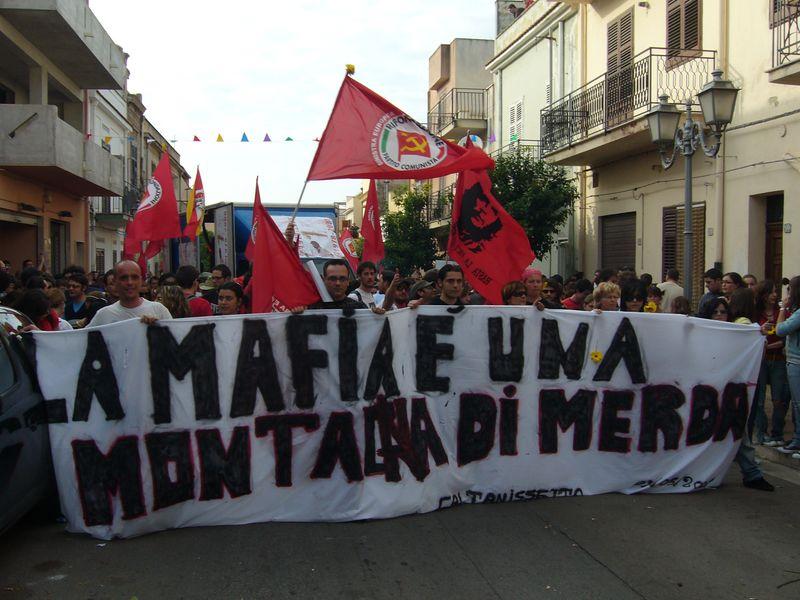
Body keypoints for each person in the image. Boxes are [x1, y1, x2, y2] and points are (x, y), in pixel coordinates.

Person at [698, 290, 774, 491]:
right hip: (704, 394)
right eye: (715, 312)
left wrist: (758, 334)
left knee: (737, 430)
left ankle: (752, 474)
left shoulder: (736, 333)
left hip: (729, 393)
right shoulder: (700, 334)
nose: (720, 315)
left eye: (723, 311)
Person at [752, 280, 790, 446]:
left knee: (778, 398)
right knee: (759, 398)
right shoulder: (755, 313)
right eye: (772, 291)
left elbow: (785, 336)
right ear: (763, 294)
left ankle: (777, 433)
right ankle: (761, 433)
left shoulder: (782, 313)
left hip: (778, 360)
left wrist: (769, 345)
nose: (775, 295)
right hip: (760, 360)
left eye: (776, 292)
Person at [90, 261, 172, 326]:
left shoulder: (158, 310)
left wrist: (159, 328)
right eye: (124, 278)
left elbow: (174, 341)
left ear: (141, 280)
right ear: (115, 281)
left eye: (134, 277)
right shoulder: (103, 315)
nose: (130, 282)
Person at [771, 276, 800, 457]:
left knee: (798, 404)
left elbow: (780, 330)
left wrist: (782, 308)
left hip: (797, 361)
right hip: (794, 360)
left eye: (789, 289)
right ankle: (797, 439)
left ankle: (798, 442)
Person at [294, 259, 384, 313]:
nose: (337, 283)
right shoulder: (311, 308)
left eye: (342, 279)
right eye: (332, 279)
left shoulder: (359, 308)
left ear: (348, 281)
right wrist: (296, 316)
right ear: (323, 279)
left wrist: (376, 318)